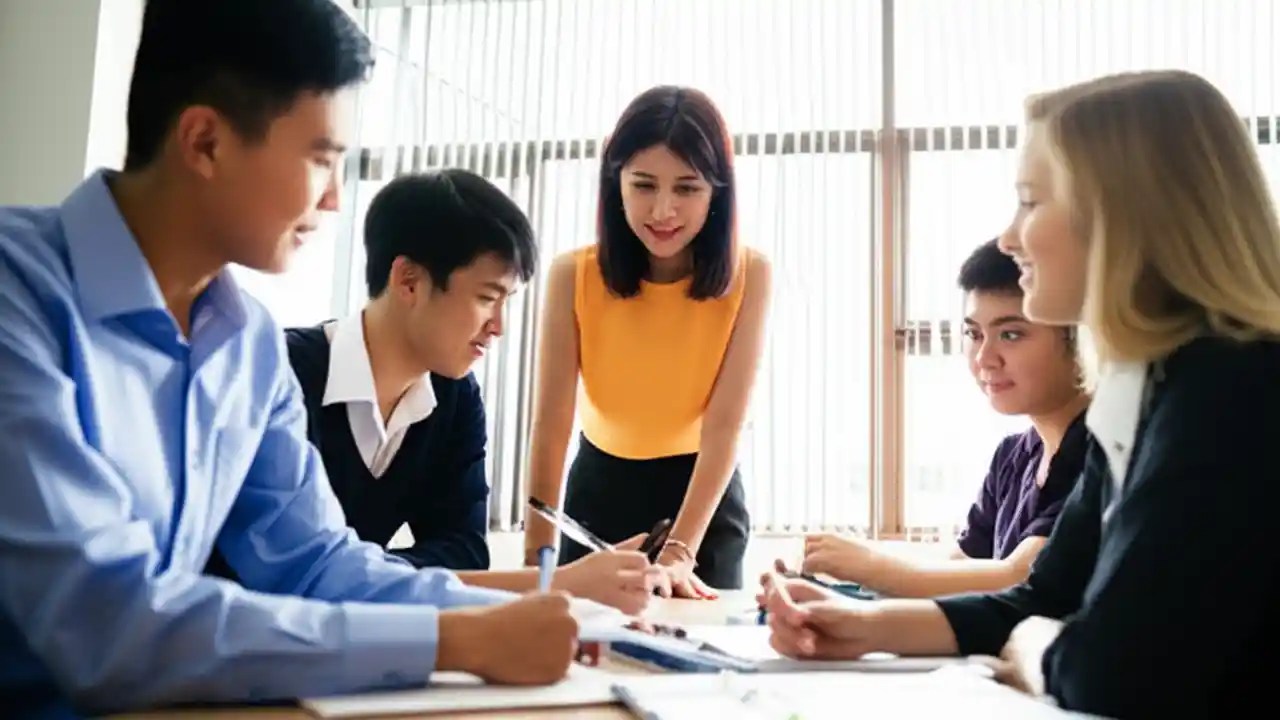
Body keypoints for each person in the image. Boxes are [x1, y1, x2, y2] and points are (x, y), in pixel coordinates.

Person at [0, 1, 579, 714]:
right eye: (321, 159)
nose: (334, 199)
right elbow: (104, 621)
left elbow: (315, 562)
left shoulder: (247, 342)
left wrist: (554, 623)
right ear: (206, 142)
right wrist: (452, 641)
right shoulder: (17, 296)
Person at [759, 70, 1280, 718]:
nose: (1009, 238)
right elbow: (1043, 597)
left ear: (1117, 217)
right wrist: (864, 626)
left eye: (1030, 203)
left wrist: (1032, 646)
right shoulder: (1141, 388)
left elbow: (1111, 671)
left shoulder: (1230, 390)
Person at [266, 169, 658, 614]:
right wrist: (557, 584)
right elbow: (293, 570)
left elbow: (463, 551)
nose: (498, 326)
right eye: (487, 298)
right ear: (409, 281)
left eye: (506, 302)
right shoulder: (279, 372)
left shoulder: (454, 397)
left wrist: (367, 576)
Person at [523, 85, 772, 597]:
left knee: (699, 636)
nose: (662, 210)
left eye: (687, 188)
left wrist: (680, 552)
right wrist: (536, 561)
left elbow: (725, 426)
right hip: (599, 490)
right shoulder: (572, 274)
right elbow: (551, 424)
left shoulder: (751, 274)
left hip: (703, 497)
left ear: (717, 192)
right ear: (615, 183)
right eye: (643, 185)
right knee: (584, 637)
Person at [784, 239, 1090, 598]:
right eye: (974, 334)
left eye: (1011, 334)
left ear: (1081, 338)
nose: (984, 357)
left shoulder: (1101, 454)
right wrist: (838, 589)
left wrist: (868, 563)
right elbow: (962, 566)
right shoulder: (1013, 456)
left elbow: (1023, 576)